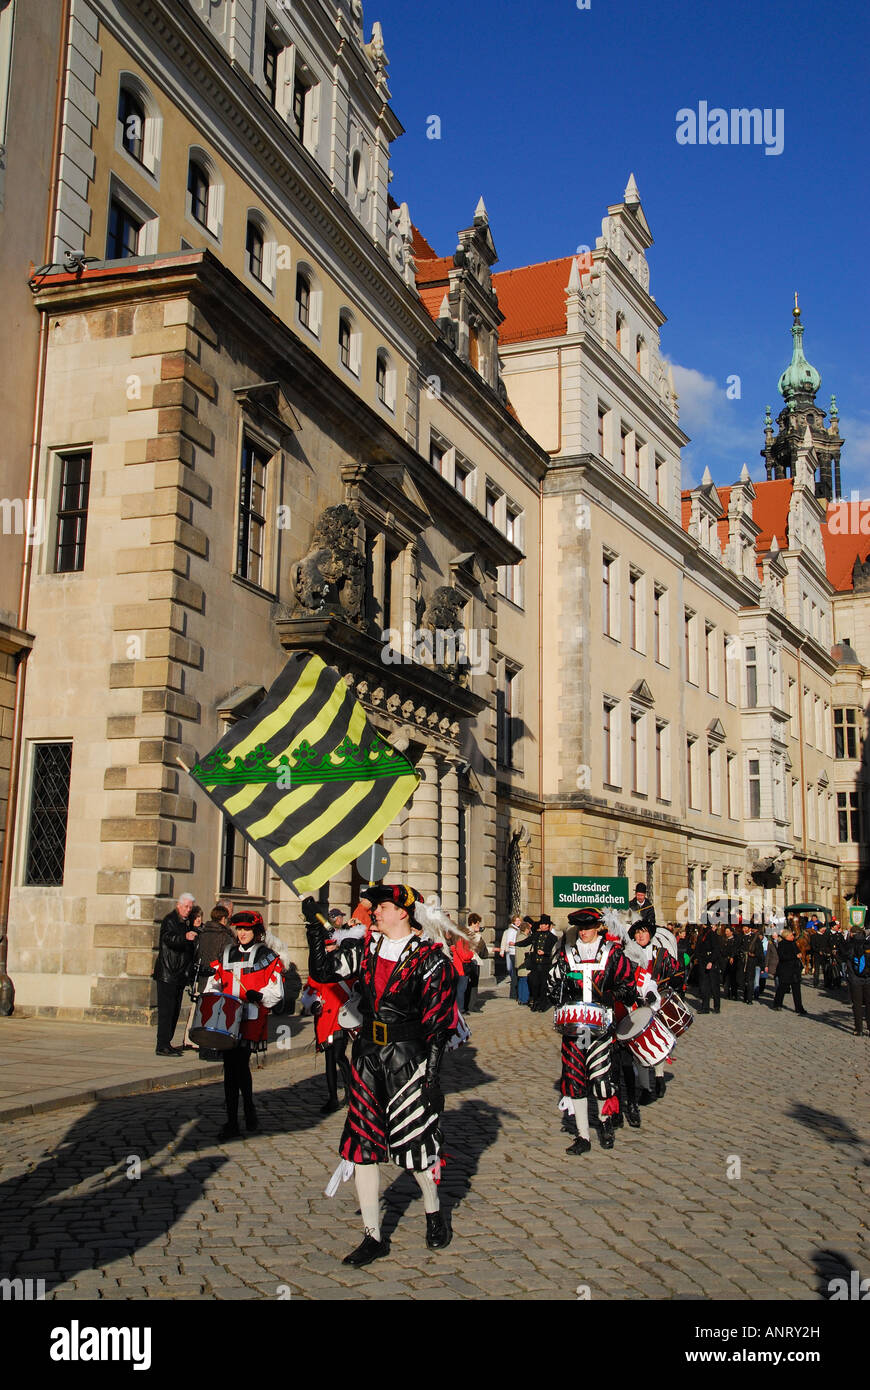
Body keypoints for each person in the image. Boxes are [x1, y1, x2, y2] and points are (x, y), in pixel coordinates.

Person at [305, 884, 461, 1268]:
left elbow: (438, 1024)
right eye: (374, 907)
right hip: (368, 1058)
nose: (373, 912)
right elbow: (323, 970)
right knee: (362, 1145)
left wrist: (433, 1077)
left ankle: (432, 1211)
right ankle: (373, 1235)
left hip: (408, 1060)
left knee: (415, 1147)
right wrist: (313, 926)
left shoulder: (431, 959)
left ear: (403, 912)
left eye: (382, 907)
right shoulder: (365, 948)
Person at [547, 907, 645, 1155]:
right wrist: (557, 989)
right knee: (575, 1079)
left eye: (589, 928)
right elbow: (553, 986)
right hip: (574, 1028)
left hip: (601, 1027)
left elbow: (629, 987)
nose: (584, 933)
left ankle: (604, 1121)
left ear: (598, 928)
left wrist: (613, 994)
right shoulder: (566, 953)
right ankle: (582, 1136)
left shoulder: (613, 954)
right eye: (581, 928)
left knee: (602, 1079)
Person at [204, 909, 284, 1137]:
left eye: (247, 929)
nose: (242, 933)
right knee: (231, 1069)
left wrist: (260, 995)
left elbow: (275, 989)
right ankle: (234, 1119)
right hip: (227, 1019)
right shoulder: (227, 953)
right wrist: (211, 995)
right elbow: (215, 982)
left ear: (256, 931)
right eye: (239, 929)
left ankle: (247, 1110)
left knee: (239, 1065)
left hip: (250, 1020)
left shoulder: (267, 955)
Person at [615, 917, 682, 1113]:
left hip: (657, 1003)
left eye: (643, 932)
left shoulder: (661, 954)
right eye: (636, 933)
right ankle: (645, 1088)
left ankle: (659, 1077)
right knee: (639, 1047)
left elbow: (677, 972)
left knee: (658, 1042)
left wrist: (675, 981)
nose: (640, 935)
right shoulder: (629, 955)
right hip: (636, 1004)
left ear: (650, 934)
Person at [153, 893, 198, 1055]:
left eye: (190, 908)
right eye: (186, 907)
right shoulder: (170, 919)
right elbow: (168, 938)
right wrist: (184, 937)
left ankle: (167, 1042)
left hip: (178, 974)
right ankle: (162, 1044)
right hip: (168, 973)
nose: (188, 910)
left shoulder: (186, 922)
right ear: (178, 905)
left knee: (174, 1011)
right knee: (167, 1011)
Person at [517, 915, 559, 1011]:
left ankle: (542, 1005)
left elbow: (555, 951)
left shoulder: (552, 937)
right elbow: (527, 941)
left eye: (544, 924)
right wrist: (516, 944)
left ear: (548, 925)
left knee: (543, 986)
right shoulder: (536, 934)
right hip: (535, 964)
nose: (542, 926)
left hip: (545, 964)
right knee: (534, 984)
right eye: (541, 924)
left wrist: (545, 953)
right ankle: (536, 1003)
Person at [839, 923, 870, 1036]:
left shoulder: (850, 945)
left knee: (857, 1004)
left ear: (852, 934)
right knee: (869, 1003)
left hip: (854, 978)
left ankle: (859, 1029)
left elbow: (842, 956)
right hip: (868, 978)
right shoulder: (867, 943)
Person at [771, 927, 807, 1016]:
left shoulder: (793, 943)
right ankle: (777, 1004)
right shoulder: (782, 944)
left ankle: (799, 1008)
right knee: (782, 988)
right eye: (791, 935)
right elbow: (782, 957)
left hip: (795, 970)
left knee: (797, 990)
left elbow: (797, 952)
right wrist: (795, 956)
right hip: (785, 970)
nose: (792, 936)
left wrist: (799, 954)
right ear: (786, 936)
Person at [692, 924, 723, 1015]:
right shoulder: (701, 935)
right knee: (704, 986)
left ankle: (716, 1007)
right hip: (702, 962)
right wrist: (696, 958)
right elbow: (698, 948)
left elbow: (716, 949)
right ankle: (705, 1007)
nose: (703, 926)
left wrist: (711, 961)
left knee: (714, 986)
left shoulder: (712, 934)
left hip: (711, 962)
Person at [737, 922, 765, 1004]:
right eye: (743, 928)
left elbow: (760, 951)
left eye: (746, 928)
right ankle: (745, 995)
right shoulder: (741, 937)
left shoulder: (754, 938)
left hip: (751, 961)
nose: (744, 929)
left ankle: (749, 998)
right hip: (742, 961)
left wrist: (755, 955)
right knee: (742, 979)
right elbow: (737, 948)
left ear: (749, 929)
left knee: (750, 980)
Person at [463, 913, 483, 1013]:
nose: (478, 926)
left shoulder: (475, 934)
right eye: (477, 924)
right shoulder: (469, 933)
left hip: (474, 960)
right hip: (470, 960)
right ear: (472, 923)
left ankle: (471, 1005)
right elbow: (473, 947)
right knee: (470, 984)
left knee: (473, 984)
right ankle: (469, 1005)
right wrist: (478, 936)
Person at [498, 914, 522, 999]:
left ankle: (514, 994)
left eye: (519, 920)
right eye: (517, 921)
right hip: (513, 953)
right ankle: (513, 994)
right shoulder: (512, 930)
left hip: (516, 953)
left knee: (515, 974)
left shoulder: (517, 929)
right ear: (513, 921)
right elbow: (509, 942)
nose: (518, 922)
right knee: (514, 974)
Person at [721, 925, 739, 1000]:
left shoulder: (734, 940)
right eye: (725, 931)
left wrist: (732, 956)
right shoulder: (724, 940)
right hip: (725, 960)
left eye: (728, 931)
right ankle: (726, 993)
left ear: (731, 932)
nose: (726, 933)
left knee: (733, 978)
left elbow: (735, 950)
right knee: (725, 977)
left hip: (732, 961)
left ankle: (734, 994)